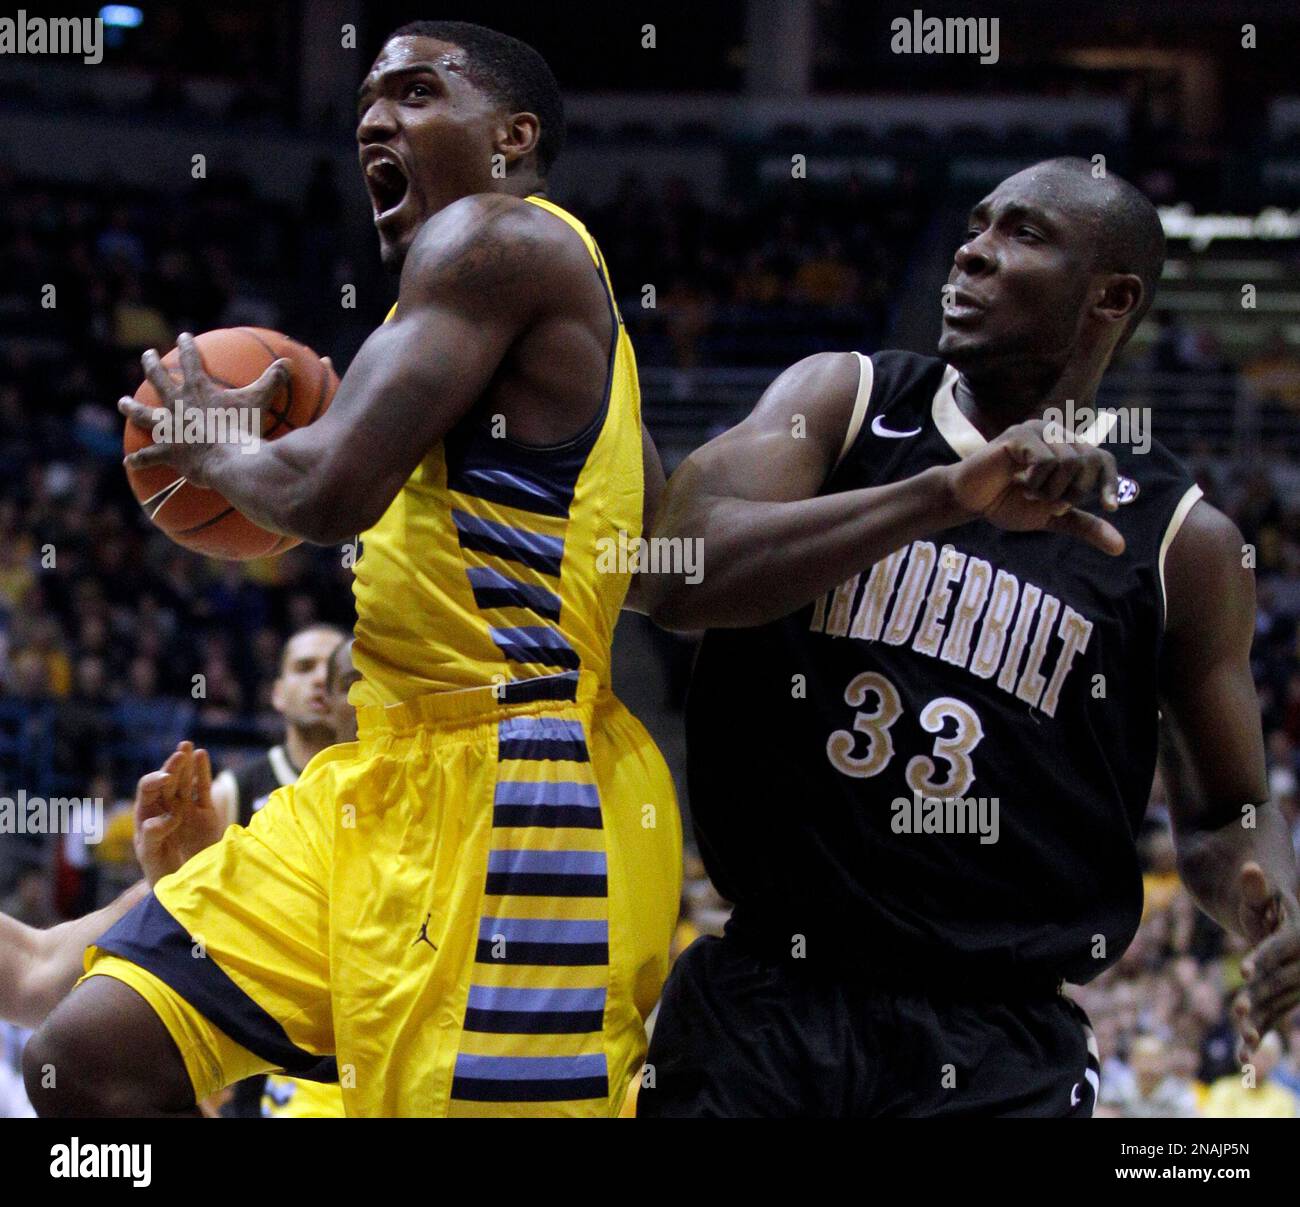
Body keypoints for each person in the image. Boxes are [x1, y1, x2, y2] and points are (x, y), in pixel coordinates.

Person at [31, 20, 681, 1118]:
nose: (376, 119)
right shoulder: (533, 318)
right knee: (87, 1055)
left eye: (419, 93)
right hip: (381, 772)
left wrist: (210, 444)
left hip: (518, 787)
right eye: (368, 104)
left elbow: (329, 492)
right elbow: (665, 561)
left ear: (514, 137)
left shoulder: (497, 237)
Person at [637, 158, 1300, 1117]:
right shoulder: (843, 400)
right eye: (978, 225)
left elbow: (1227, 811)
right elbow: (670, 574)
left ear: (1110, 296)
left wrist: (1267, 905)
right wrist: (940, 496)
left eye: (1022, 235)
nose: (972, 252)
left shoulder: (1183, 541)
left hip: (1001, 1044)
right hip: (767, 1003)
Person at [210, 624, 346, 829]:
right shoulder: (231, 793)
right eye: (305, 667)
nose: (321, 679)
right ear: (278, 693)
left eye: (334, 669)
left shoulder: (385, 782)